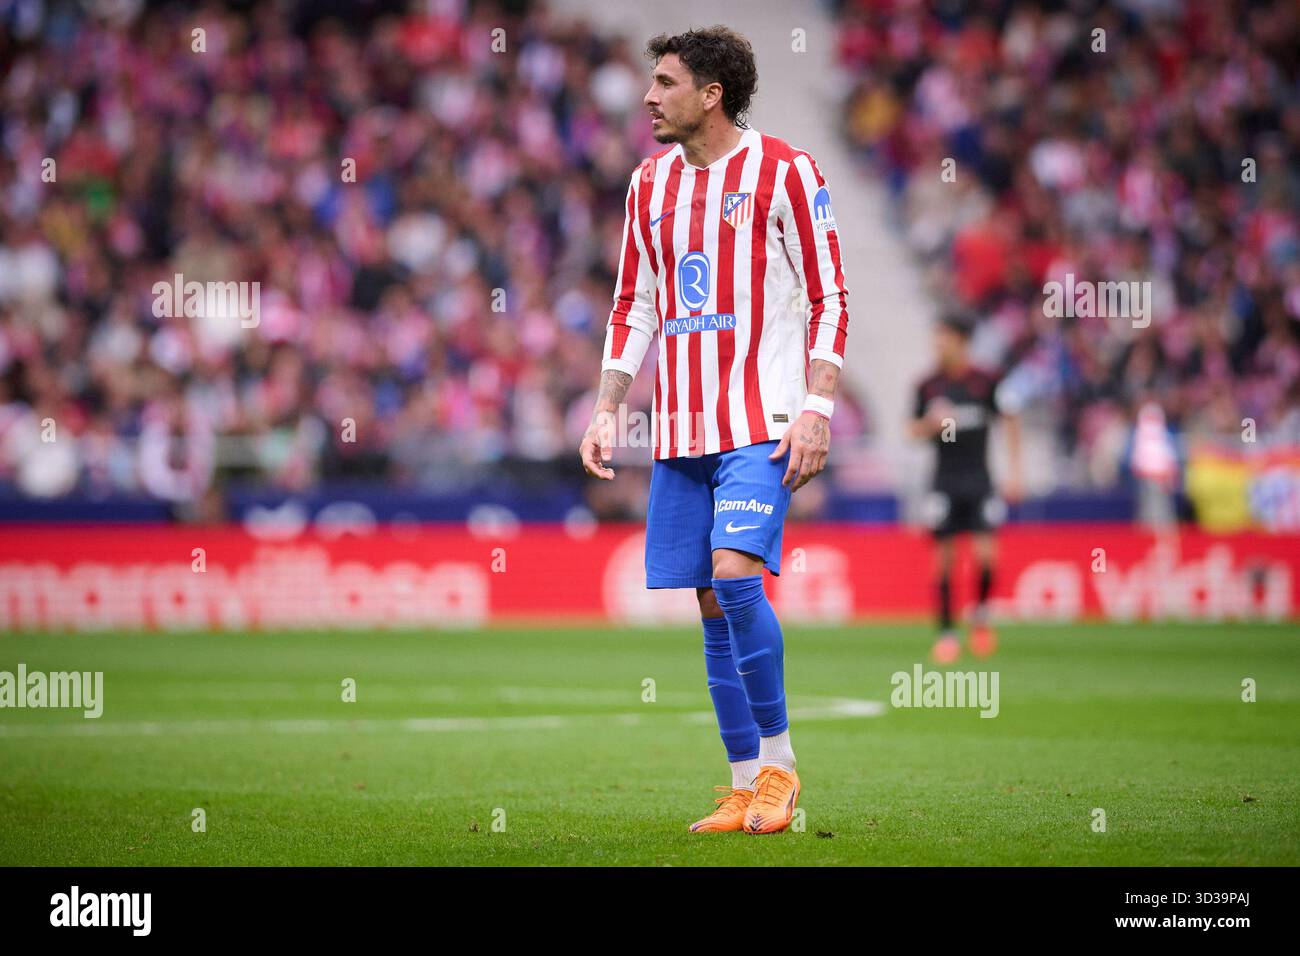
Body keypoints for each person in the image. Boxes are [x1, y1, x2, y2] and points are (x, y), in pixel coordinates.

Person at [579, 26, 849, 835]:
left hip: (761, 421)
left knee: (735, 577)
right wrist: (607, 404)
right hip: (681, 429)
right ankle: (740, 784)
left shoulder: (787, 173)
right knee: (706, 601)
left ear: (711, 95)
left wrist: (818, 407)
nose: (649, 97)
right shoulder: (647, 186)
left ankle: (781, 769)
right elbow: (637, 303)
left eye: (665, 82)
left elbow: (830, 296)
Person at [909, 314, 1022, 664]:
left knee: (987, 556)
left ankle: (982, 618)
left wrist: (1016, 471)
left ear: (961, 340)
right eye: (936, 337)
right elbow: (910, 430)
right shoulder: (928, 386)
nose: (937, 344)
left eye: (943, 337)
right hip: (944, 481)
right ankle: (946, 633)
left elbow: (1010, 419)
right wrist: (931, 424)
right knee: (943, 561)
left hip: (980, 480)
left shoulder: (986, 381)